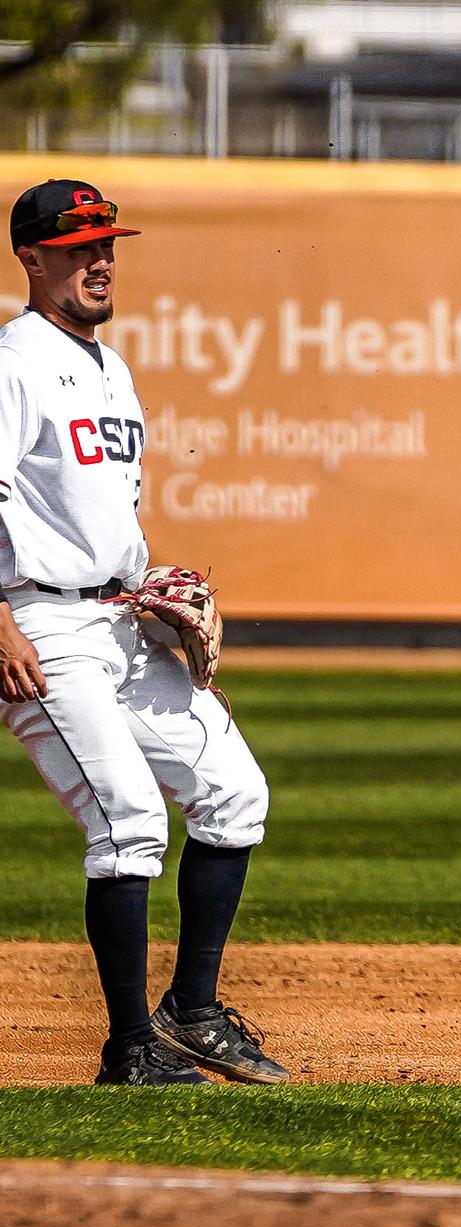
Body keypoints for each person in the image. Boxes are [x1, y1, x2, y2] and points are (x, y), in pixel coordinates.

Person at [0, 179, 286, 1086]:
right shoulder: (12, 362)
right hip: (41, 624)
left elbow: (99, 514)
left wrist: (148, 591)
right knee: (127, 820)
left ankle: (191, 1013)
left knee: (234, 792)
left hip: (116, 621)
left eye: (106, 244)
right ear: (31, 257)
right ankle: (130, 1048)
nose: (99, 261)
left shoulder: (111, 370)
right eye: (77, 247)